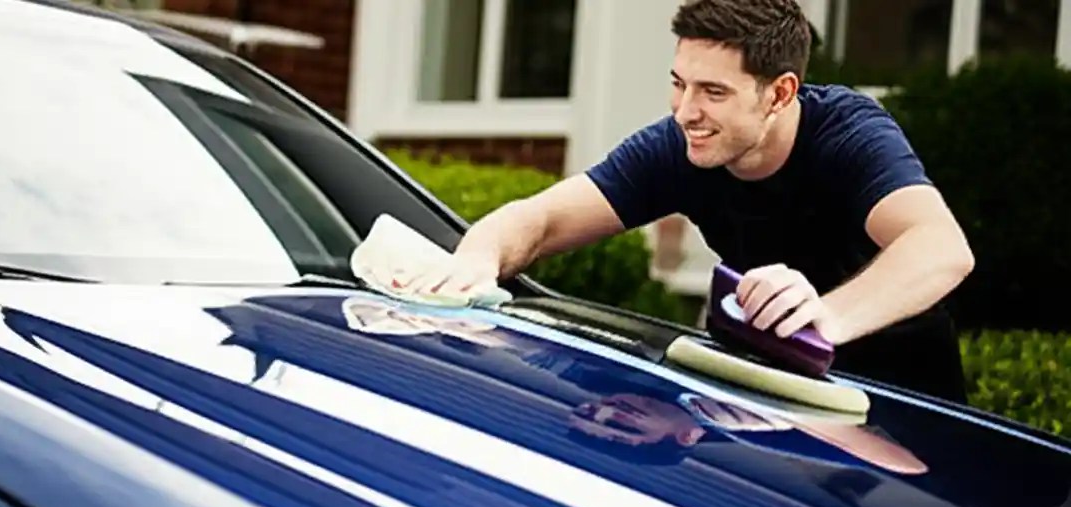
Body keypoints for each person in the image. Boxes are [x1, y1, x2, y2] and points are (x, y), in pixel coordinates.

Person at [393, 0, 975, 403]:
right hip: (773, 402)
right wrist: (477, 260)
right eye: (680, 83)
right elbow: (541, 221)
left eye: (713, 92)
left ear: (780, 93)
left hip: (905, 414)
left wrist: (827, 318)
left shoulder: (849, 133)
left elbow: (942, 248)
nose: (685, 111)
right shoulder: (681, 145)